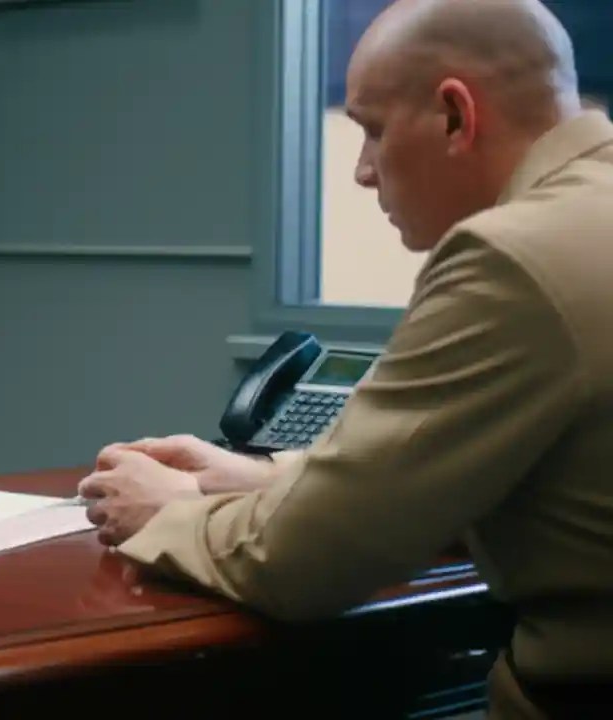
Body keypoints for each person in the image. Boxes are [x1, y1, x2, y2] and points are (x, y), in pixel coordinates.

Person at [77, 0, 613, 716]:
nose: (361, 171)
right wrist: (258, 477)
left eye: (373, 130)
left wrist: (165, 513)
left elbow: (304, 566)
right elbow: (504, 477)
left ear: (456, 115)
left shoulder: (512, 259)